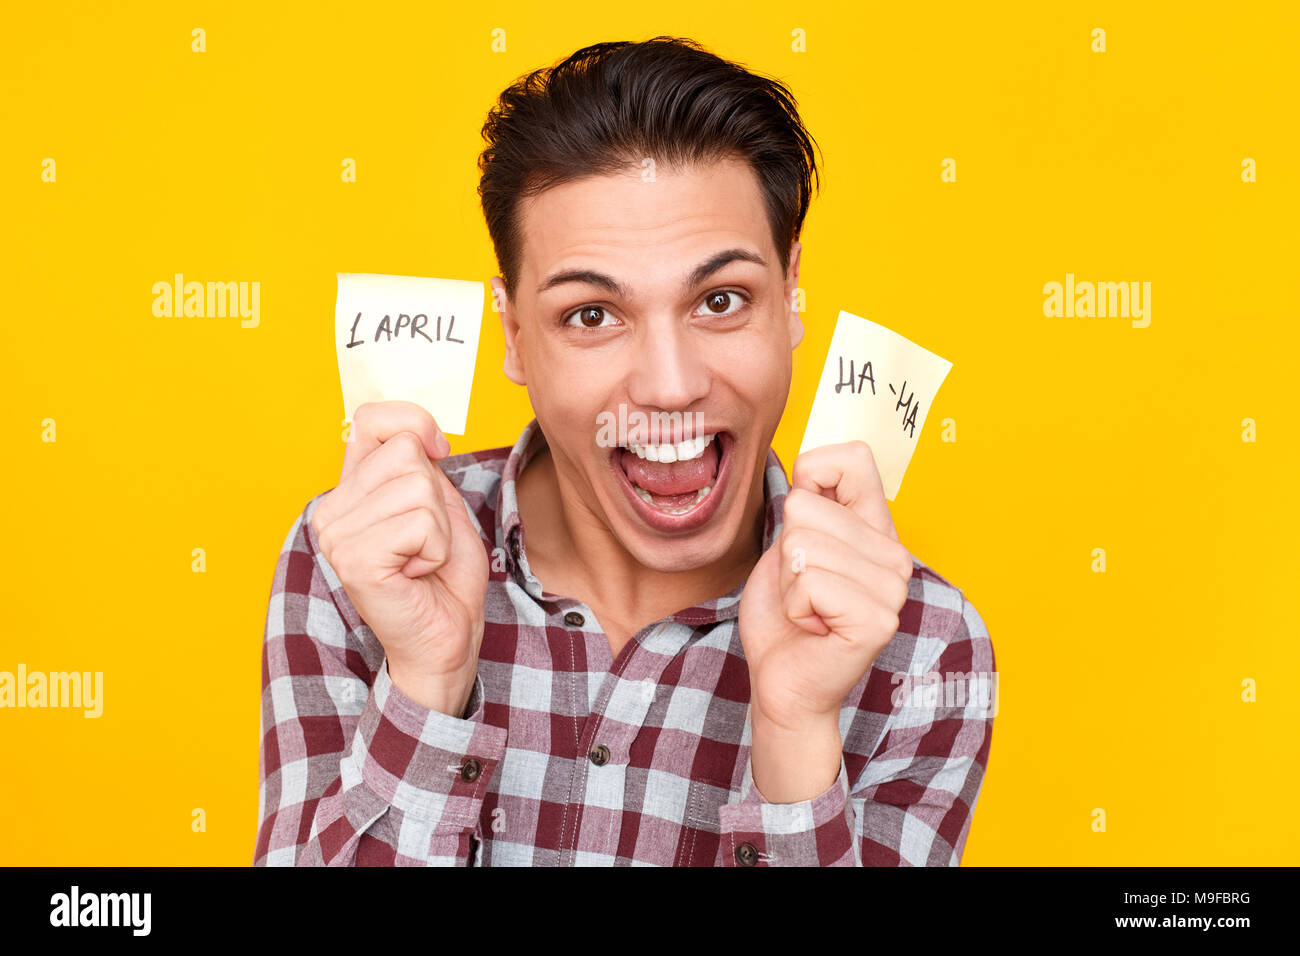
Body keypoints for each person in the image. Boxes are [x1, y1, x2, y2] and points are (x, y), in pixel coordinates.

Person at [254, 36, 995, 867]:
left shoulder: (923, 643)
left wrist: (793, 734)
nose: (670, 386)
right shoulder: (359, 566)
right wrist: (426, 681)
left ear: (790, 299)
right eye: (592, 315)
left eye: (721, 299)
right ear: (515, 336)